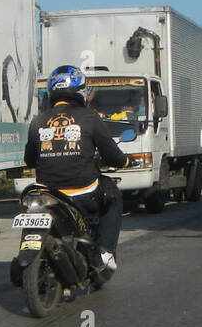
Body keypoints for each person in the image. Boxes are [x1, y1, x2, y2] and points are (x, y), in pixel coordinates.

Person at [23, 64, 129, 271]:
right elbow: (112, 155)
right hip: (83, 194)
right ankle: (105, 251)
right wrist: (125, 161)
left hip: (47, 193)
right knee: (113, 195)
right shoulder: (89, 118)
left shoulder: (37, 121)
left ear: (53, 91)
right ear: (81, 91)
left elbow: (29, 160)